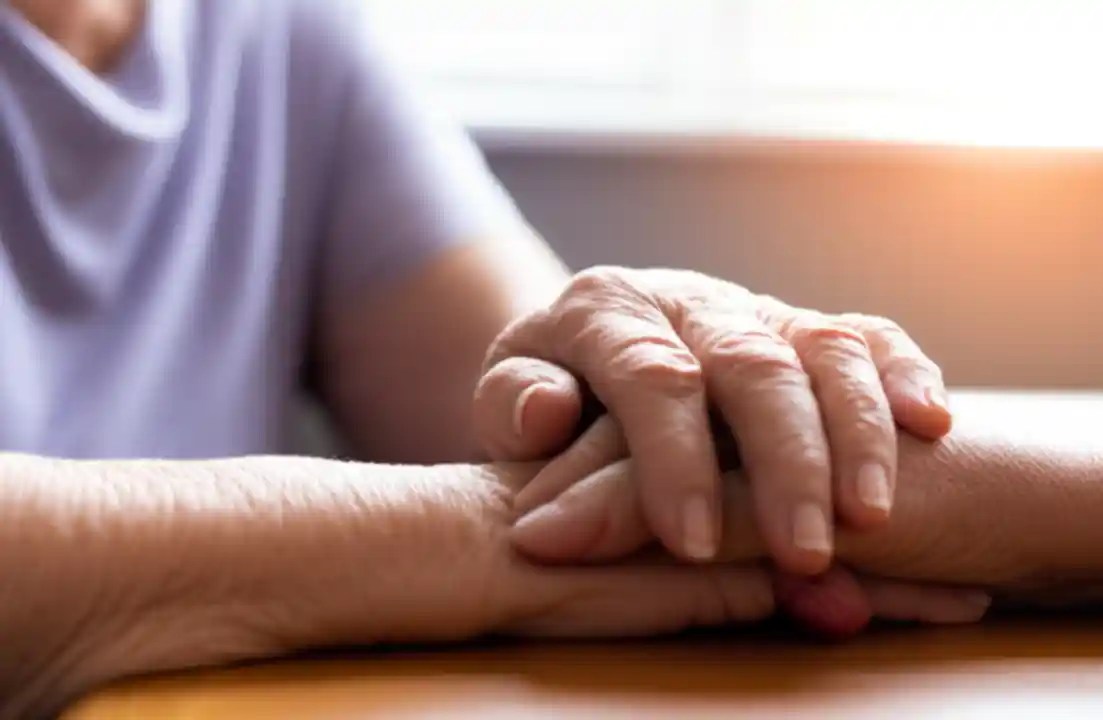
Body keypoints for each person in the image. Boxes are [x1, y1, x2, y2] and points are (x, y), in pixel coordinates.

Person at [0, 0, 976, 715]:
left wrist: (703, 394)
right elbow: (568, 514)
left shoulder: (282, 34)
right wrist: (476, 542)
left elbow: (591, 434)